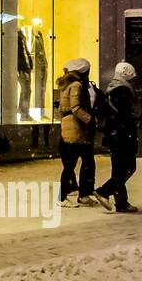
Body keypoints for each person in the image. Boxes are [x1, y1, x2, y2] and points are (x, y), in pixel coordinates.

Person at [93, 62, 139, 213]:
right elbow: (125, 115)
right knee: (129, 167)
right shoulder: (123, 90)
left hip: (114, 135)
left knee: (119, 168)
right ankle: (104, 191)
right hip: (122, 135)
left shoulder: (112, 88)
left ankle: (121, 202)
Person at [57, 58, 99, 207]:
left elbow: (64, 107)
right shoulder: (76, 85)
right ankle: (64, 196)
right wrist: (90, 119)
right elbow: (76, 108)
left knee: (74, 162)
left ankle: (77, 193)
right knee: (78, 162)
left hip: (69, 127)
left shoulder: (65, 85)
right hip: (76, 128)